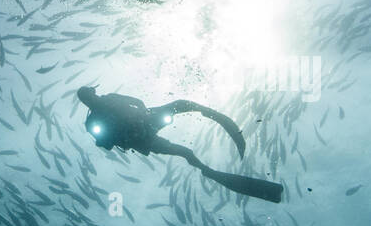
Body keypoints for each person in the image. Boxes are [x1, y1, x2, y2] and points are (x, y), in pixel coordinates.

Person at [76, 86, 283, 203]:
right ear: (89, 96)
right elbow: (135, 104)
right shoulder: (98, 114)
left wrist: (144, 115)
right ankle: (208, 170)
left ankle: (210, 122)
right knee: (185, 147)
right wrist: (144, 115)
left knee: (181, 114)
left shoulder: (95, 118)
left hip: (144, 129)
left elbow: (108, 141)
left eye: (91, 95)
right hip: (145, 133)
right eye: (90, 96)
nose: (93, 97)